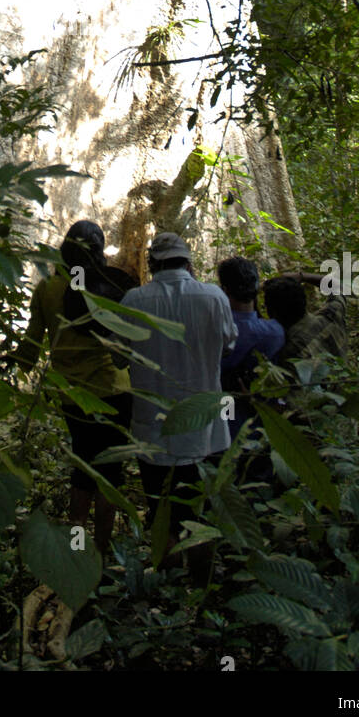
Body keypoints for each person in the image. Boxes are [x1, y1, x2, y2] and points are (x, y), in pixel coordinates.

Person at [14, 220, 135, 553]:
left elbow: (31, 343)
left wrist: (11, 369)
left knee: (83, 468)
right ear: (99, 249)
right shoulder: (111, 285)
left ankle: (78, 545)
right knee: (110, 472)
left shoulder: (48, 289)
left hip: (72, 396)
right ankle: (102, 549)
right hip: (115, 392)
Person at [126, 232, 237, 579]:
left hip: (153, 430)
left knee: (161, 513)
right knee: (199, 514)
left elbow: (117, 355)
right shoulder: (214, 297)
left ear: (151, 265)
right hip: (205, 431)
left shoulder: (133, 300)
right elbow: (229, 346)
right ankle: (200, 584)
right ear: (189, 263)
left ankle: (169, 589)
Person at [218, 255, 285, 436]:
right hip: (262, 429)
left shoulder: (214, 333)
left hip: (221, 429)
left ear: (223, 290)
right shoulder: (275, 332)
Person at [264, 272, 348, 365]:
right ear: (304, 300)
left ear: (272, 312)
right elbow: (336, 286)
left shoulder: (289, 354)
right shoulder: (331, 316)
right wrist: (302, 277)